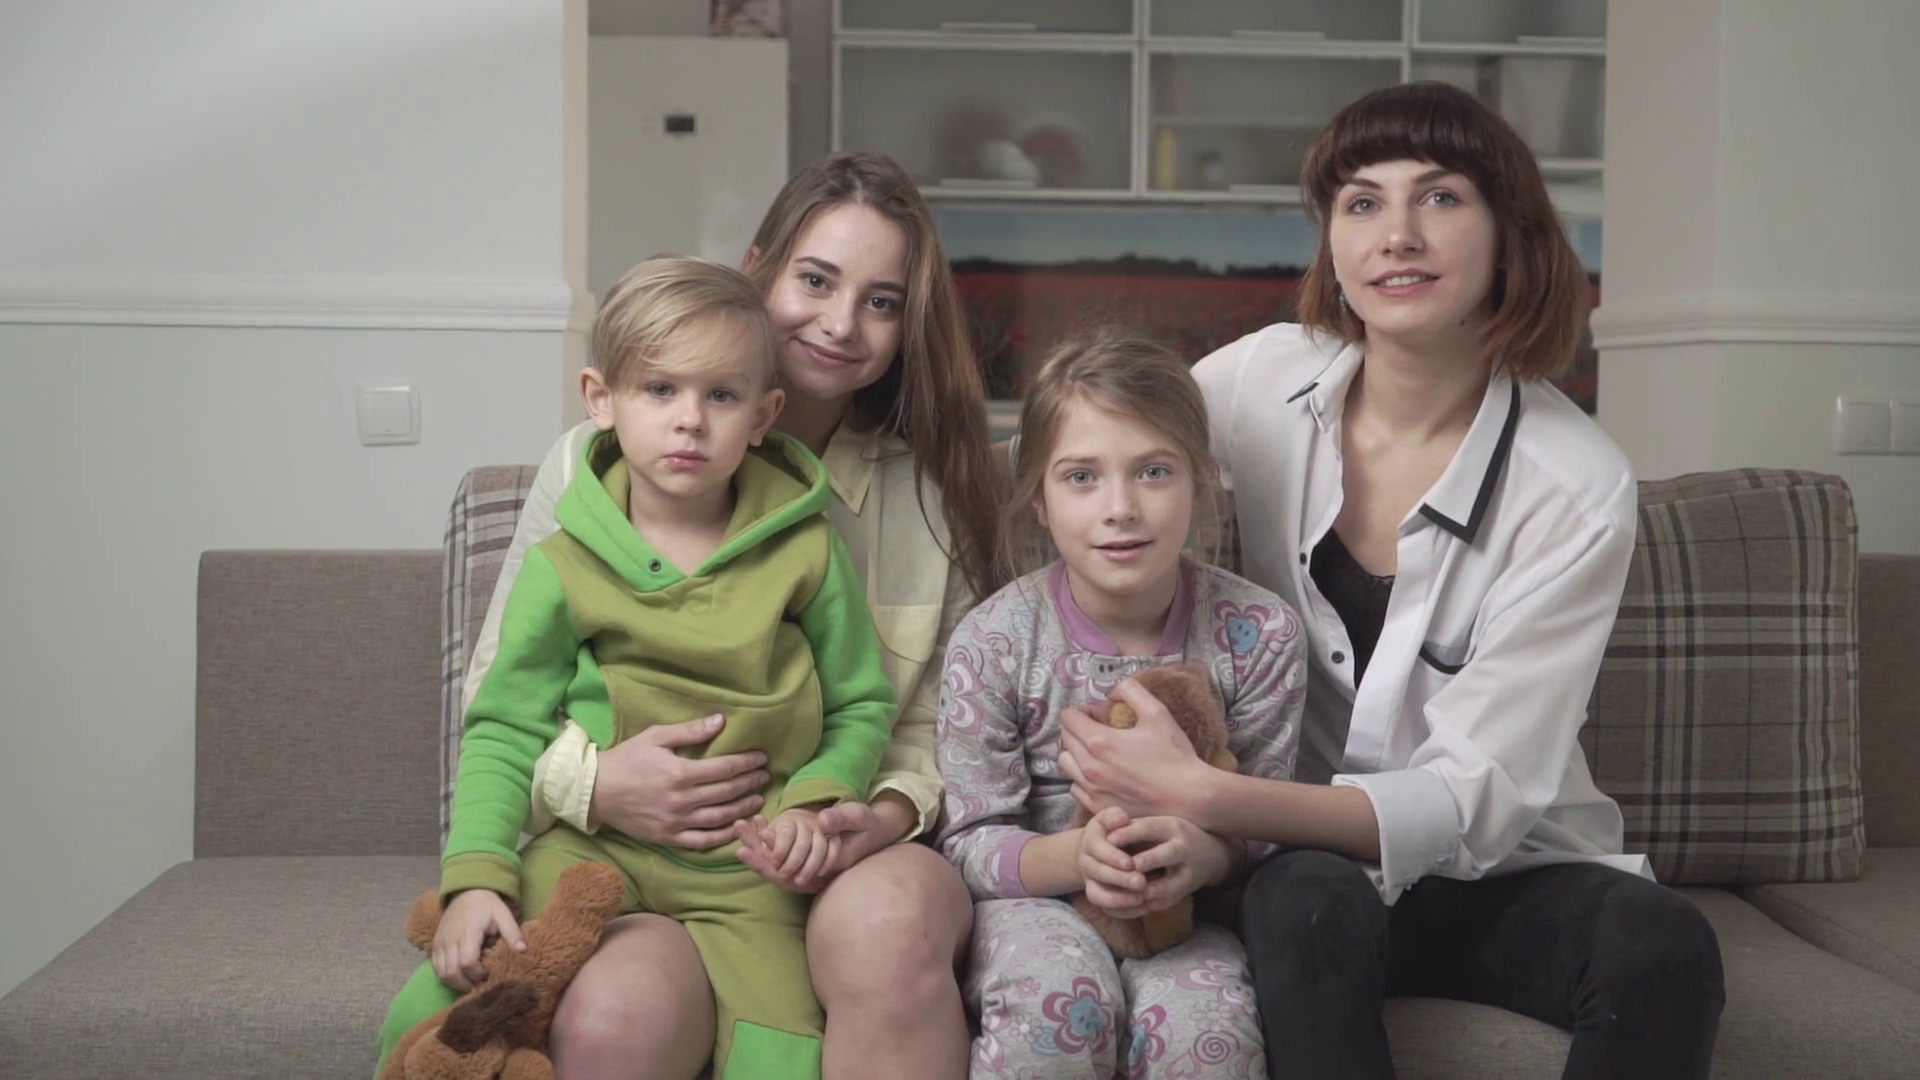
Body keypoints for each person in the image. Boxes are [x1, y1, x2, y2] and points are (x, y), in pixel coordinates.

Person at [1053, 82, 1727, 1080]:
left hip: (1507, 873)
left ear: (1512, 237)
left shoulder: (1577, 486)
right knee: (1307, 901)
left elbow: (1468, 803)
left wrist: (1206, 792)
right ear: (1332, 239)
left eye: (1442, 198)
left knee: (1665, 943)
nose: (1397, 234)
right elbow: (1097, 457)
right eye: (1363, 203)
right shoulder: (1258, 382)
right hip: (1306, 876)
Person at [412, 151, 1003, 1080]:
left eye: (881, 301)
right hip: (632, 851)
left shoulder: (930, 499)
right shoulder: (592, 468)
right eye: (814, 280)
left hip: (844, 844)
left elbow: (937, 726)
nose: (841, 323)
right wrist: (597, 784)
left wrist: (872, 812)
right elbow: (502, 701)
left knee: (883, 928)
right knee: (613, 1014)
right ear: (759, 269)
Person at [378, 255, 897, 1079]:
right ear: (601, 401)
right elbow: (505, 726)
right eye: (660, 390)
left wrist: (817, 800)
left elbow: (862, 704)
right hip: (595, 846)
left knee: (781, 1045)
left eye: (720, 396)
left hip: (748, 863)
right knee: (452, 1003)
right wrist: (473, 878)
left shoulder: (806, 546)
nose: (690, 420)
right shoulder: (565, 559)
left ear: (765, 415)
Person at [935, 331, 1306, 1079]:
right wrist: (1077, 858)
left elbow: (1267, 823)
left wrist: (1206, 856)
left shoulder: (1257, 634)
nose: (1120, 508)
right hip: (1034, 907)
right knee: (1060, 1010)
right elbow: (969, 840)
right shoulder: (994, 641)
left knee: (1210, 1042)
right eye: (1080, 477)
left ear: (1201, 483)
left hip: (1190, 916)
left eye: (1154, 472)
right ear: (1036, 498)